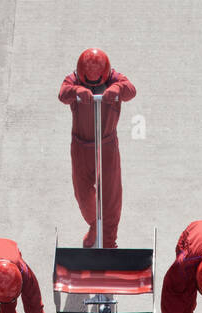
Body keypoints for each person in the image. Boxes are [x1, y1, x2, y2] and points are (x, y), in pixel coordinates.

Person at [58, 48, 136, 248]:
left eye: (97, 83)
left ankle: (109, 243)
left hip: (107, 145)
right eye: (87, 83)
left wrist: (118, 89)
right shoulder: (73, 79)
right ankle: (95, 224)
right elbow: (62, 94)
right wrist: (76, 91)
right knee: (83, 194)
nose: (92, 86)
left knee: (111, 198)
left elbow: (131, 89)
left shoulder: (114, 78)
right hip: (81, 147)